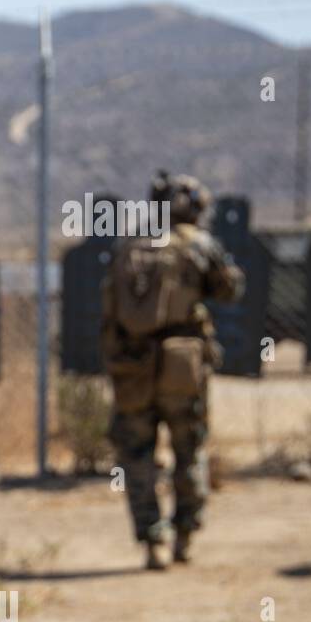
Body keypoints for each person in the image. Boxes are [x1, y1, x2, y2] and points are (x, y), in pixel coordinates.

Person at [101, 170, 244, 569]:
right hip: (183, 365)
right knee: (189, 448)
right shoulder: (198, 244)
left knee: (137, 454)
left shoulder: (129, 246)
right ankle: (184, 535)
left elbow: (108, 311)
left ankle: (153, 541)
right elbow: (230, 289)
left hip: (133, 367)